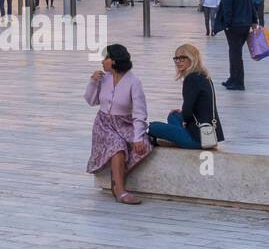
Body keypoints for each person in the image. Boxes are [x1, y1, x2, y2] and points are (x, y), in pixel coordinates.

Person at [84, 44, 150, 205]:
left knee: (143, 146)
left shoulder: (134, 82)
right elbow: (91, 101)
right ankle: (120, 190)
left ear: (114, 61)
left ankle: (117, 176)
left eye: (106, 58)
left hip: (125, 123)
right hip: (104, 124)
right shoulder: (103, 78)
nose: (102, 61)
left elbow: (140, 113)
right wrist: (93, 82)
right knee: (117, 146)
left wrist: (138, 137)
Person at [148, 44, 224, 150]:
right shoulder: (204, 76)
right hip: (210, 135)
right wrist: (183, 115)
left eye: (182, 58)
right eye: (176, 58)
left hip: (198, 139)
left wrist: (185, 122)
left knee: (153, 127)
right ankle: (176, 137)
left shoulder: (191, 79)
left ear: (192, 59)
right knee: (174, 115)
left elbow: (187, 110)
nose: (178, 61)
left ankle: (177, 139)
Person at [213, 0, 255, 91]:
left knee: (235, 53)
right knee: (235, 51)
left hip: (234, 25)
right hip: (245, 24)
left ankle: (238, 82)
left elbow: (227, 7)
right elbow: (250, 3)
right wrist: (253, 20)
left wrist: (226, 24)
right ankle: (233, 78)